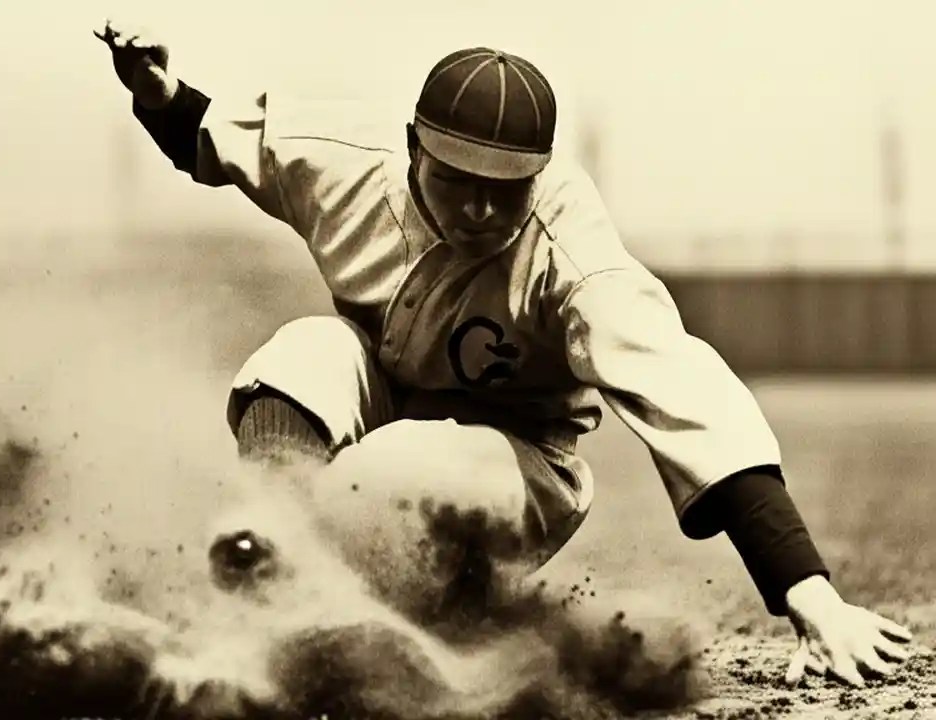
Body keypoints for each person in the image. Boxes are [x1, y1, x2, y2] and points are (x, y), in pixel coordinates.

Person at [94, 19, 915, 688]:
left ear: (541, 173)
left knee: (402, 471)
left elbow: (694, 405)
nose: (483, 204)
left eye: (508, 184)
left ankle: (343, 614)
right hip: (386, 385)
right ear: (414, 144)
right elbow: (214, 139)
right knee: (304, 352)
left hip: (520, 457)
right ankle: (269, 556)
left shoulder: (572, 254)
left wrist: (809, 594)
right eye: (459, 177)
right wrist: (159, 95)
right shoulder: (343, 161)